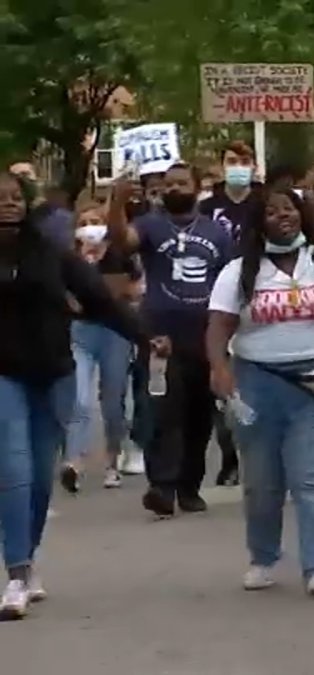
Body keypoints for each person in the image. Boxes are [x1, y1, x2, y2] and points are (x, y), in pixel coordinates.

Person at [206, 187, 314, 599]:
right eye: (273, 212)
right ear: (259, 223)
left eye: (290, 209)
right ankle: (262, 557)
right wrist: (219, 368)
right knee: (263, 483)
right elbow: (219, 326)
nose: (284, 217)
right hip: (258, 384)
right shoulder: (239, 272)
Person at [0, 171, 145, 620]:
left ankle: (28, 555)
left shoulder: (51, 253)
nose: (9, 204)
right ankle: (17, 574)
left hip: (52, 372)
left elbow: (99, 298)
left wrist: (145, 335)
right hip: (3, 374)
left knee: (40, 477)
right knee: (14, 466)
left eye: (14, 197)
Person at [107, 163, 235, 518]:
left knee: (198, 414)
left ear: (197, 188)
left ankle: (189, 487)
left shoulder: (217, 233)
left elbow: (230, 281)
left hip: (205, 337)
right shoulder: (150, 225)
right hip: (160, 337)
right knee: (163, 411)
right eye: (168, 184)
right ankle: (161, 487)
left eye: (182, 182)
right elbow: (122, 239)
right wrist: (117, 203)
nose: (174, 188)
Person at [61, 203, 143, 491]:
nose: (90, 226)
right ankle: (73, 462)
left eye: (96, 221)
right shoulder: (69, 258)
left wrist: (116, 293)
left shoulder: (120, 255)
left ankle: (113, 460)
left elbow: (136, 288)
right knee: (80, 399)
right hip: (81, 331)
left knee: (113, 402)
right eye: (84, 222)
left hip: (115, 332)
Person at [200, 140, 262, 487]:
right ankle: (229, 456)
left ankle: (257, 452)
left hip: (256, 297)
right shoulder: (208, 208)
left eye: (245, 160)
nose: (239, 165)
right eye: (232, 161)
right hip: (217, 298)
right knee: (220, 382)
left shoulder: (264, 203)